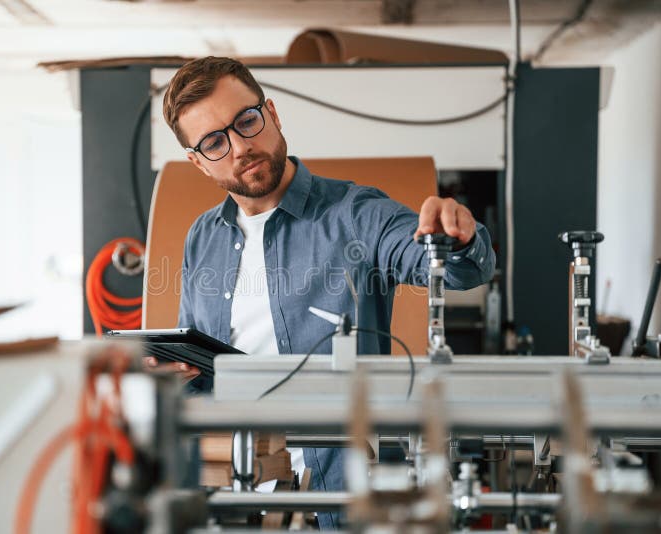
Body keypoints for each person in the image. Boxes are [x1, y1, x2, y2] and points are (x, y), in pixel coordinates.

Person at [149, 56, 496, 529]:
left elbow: (456, 270)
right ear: (198, 162)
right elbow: (199, 371)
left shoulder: (357, 214)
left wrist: (457, 237)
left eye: (246, 121)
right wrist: (173, 373)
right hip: (233, 500)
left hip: (340, 503)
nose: (240, 147)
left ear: (271, 113)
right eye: (214, 142)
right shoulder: (202, 237)